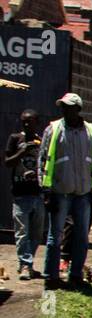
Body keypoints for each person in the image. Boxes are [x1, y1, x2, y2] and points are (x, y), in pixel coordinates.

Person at [38, 93, 92, 290]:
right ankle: (51, 276)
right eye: (63, 107)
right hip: (60, 191)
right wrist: (45, 191)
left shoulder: (89, 130)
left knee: (82, 236)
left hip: (83, 193)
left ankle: (76, 275)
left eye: (68, 107)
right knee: (54, 236)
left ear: (78, 109)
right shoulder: (54, 129)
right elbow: (43, 161)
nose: (64, 110)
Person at [4, 109, 44, 280]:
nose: (27, 124)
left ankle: (28, 263)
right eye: (24, 121)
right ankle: (25, 265)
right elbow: (7, 162)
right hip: (20, 194)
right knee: (22, 232)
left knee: (36, 233)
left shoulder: (41, 141)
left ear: (37, 122)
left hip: (38, 193)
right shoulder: (15, 139)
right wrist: (22, 152)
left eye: (30, 121)